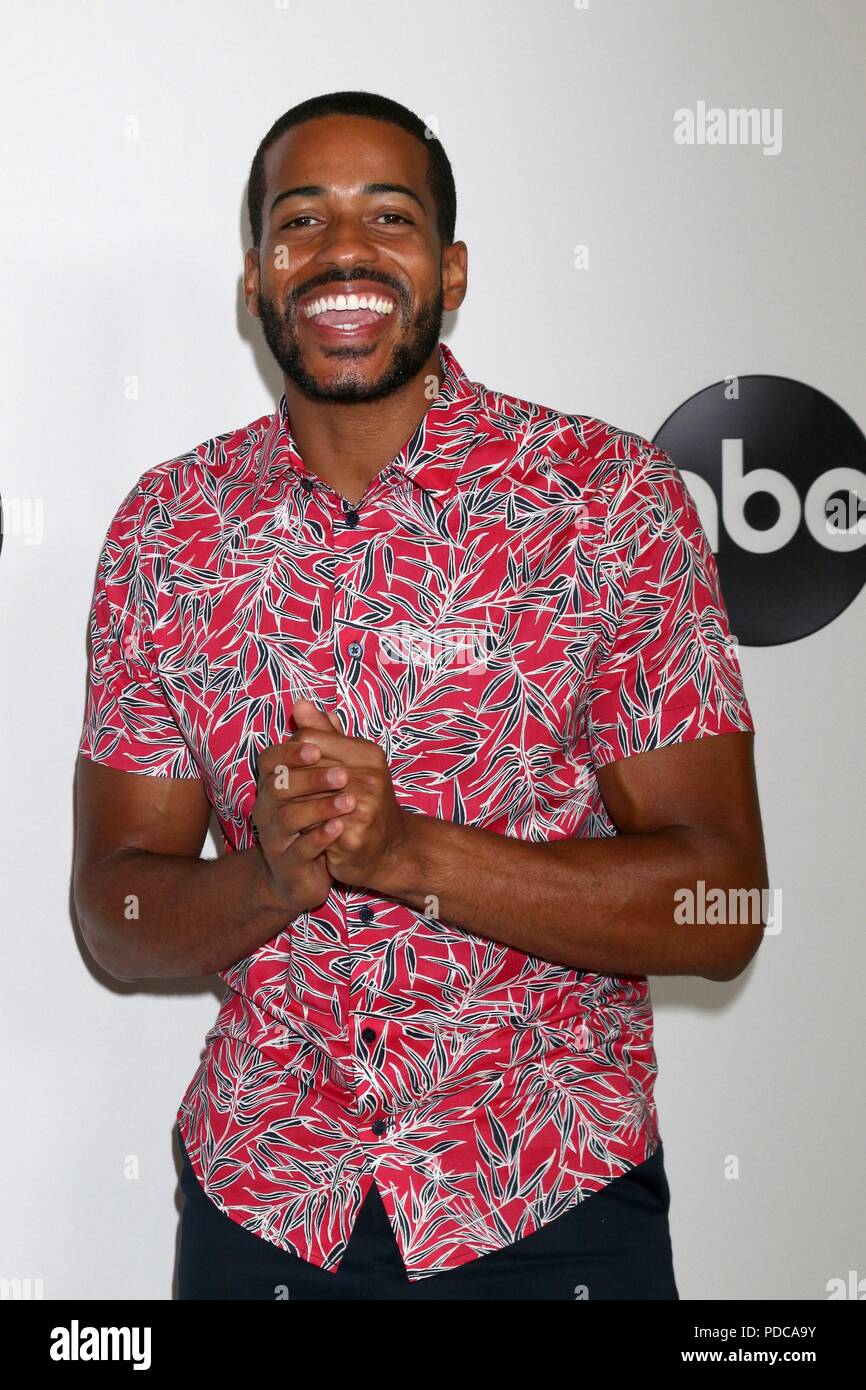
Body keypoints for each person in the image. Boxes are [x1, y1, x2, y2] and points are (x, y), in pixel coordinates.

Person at [73, 90, 767, 1300]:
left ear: (449, 268)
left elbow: (721, 903)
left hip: (550, 1201)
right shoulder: (165, 530)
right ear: (255, 279)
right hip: (266, 1203)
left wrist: (407, 853)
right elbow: (112, 915)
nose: (344, 249)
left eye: (387, 216)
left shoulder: (602, 502)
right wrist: (268, 880)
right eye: (303, 221)